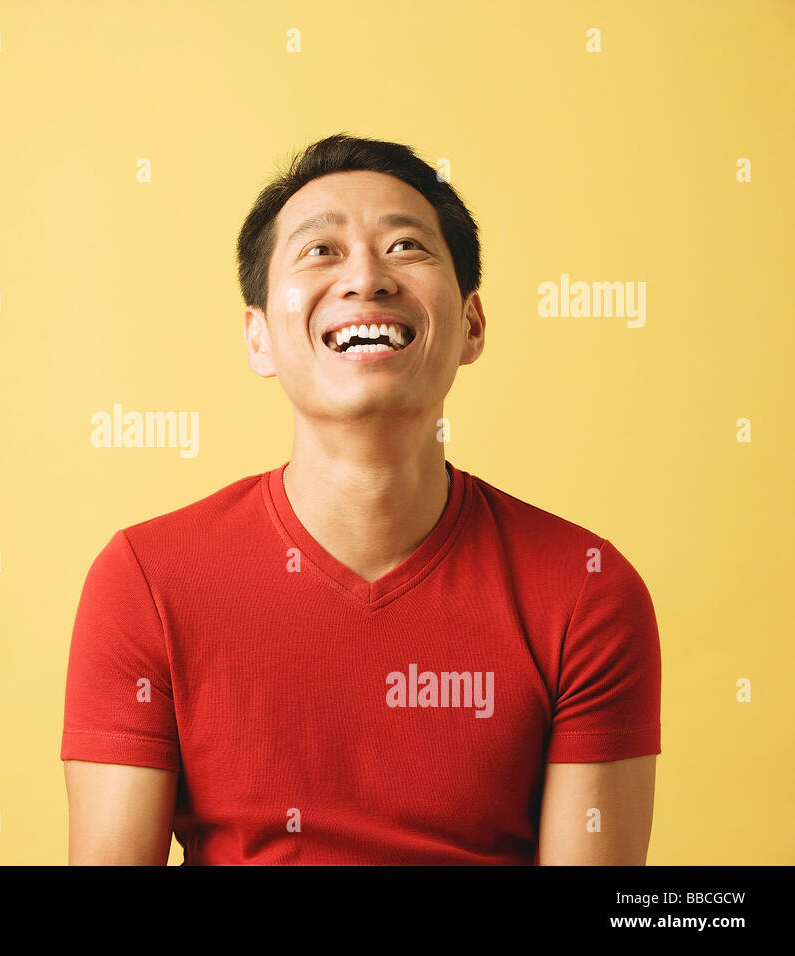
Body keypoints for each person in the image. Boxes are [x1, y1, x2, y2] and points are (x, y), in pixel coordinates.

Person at [60, 133, 660, 865]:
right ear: (259, 339)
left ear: (471, 325)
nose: (366, 278)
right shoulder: (146, 579)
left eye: (407, 246)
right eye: (320, 252)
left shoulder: (586, 588)